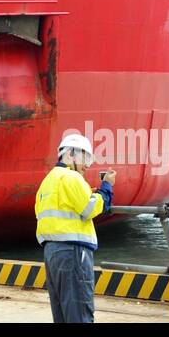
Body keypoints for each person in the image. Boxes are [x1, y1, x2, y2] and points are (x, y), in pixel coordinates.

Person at [35, 132, 115, 323]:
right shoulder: (71, 178)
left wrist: (88, 191)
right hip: (73, 253)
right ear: (70, 153)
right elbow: (91, 208)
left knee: (62, 314)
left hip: (52, 252)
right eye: (85, 157)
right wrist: (106, 188)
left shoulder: (48, 181)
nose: (88, 165)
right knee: (80, 313)